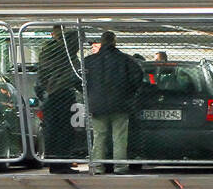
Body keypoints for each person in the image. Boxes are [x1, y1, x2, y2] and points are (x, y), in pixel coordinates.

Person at [83, 31, 144, 174]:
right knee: (119, 137)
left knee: (99, 136)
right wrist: (130, 92)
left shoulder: (89, 61)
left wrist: (89, 93)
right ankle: (120, 167)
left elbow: (79, 79)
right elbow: (138, 76)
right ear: (114, 42)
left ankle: (98, 167)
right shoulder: (125, 60)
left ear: (101, 42)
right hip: (120, 103)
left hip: (97, 104)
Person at [38, 25, 83, 169]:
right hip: (65, 94)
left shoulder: (46, 52)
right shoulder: (69, 55)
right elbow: (76, 77)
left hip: (51, 96)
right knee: (65, 131)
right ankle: (63, 163)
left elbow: (41, 77)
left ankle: (53, 163)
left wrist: (46, 90)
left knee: (51, 131)